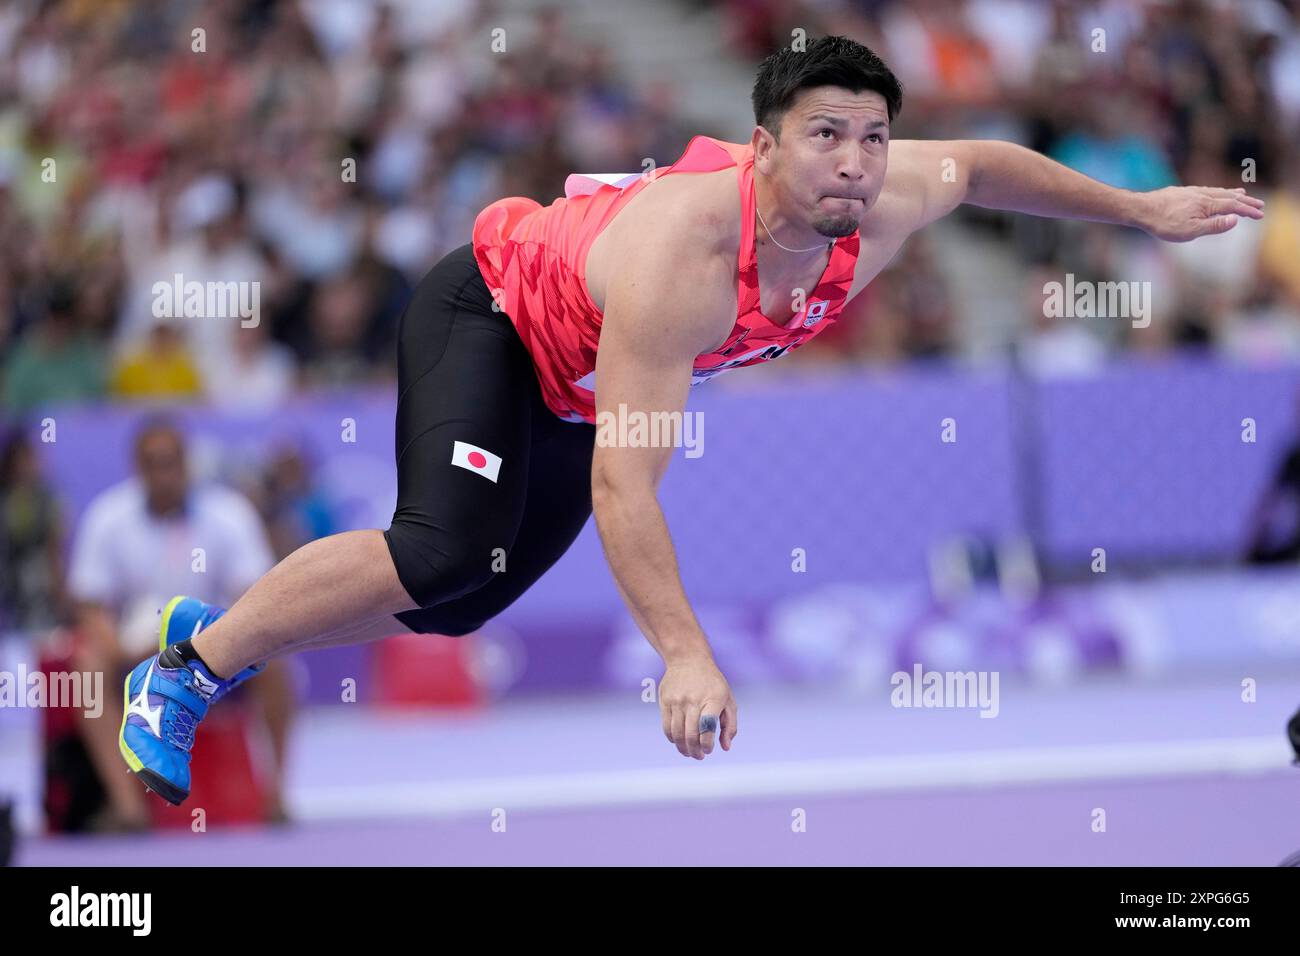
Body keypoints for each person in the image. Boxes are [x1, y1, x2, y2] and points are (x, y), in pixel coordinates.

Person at [118, 35, 1265, 805]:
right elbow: (626, 488)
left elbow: (977, 167)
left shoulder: (886, 196)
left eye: (871, 137)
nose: (857, 164)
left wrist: (1137, 209)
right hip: (492, 312)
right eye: (825, 136)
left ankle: (215, 626)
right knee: (442, 546)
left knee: (458, 603)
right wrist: (685, 653)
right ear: (763, 148)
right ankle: (187, 664)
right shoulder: (689, 255)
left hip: (576, 380)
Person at [71, 417, 294, 822]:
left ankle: (276, 795)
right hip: (133, 652)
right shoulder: (108, 516)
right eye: (153, 463)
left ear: (186, 462)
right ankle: (128, 807)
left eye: (171, 462)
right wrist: (118, 649)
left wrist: (211, 644)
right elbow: (89, 604)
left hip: (216, 645)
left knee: (277, 659)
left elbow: (256, 597)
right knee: (87, 667)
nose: (164, 474)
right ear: (137, 467)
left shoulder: (229, 513)